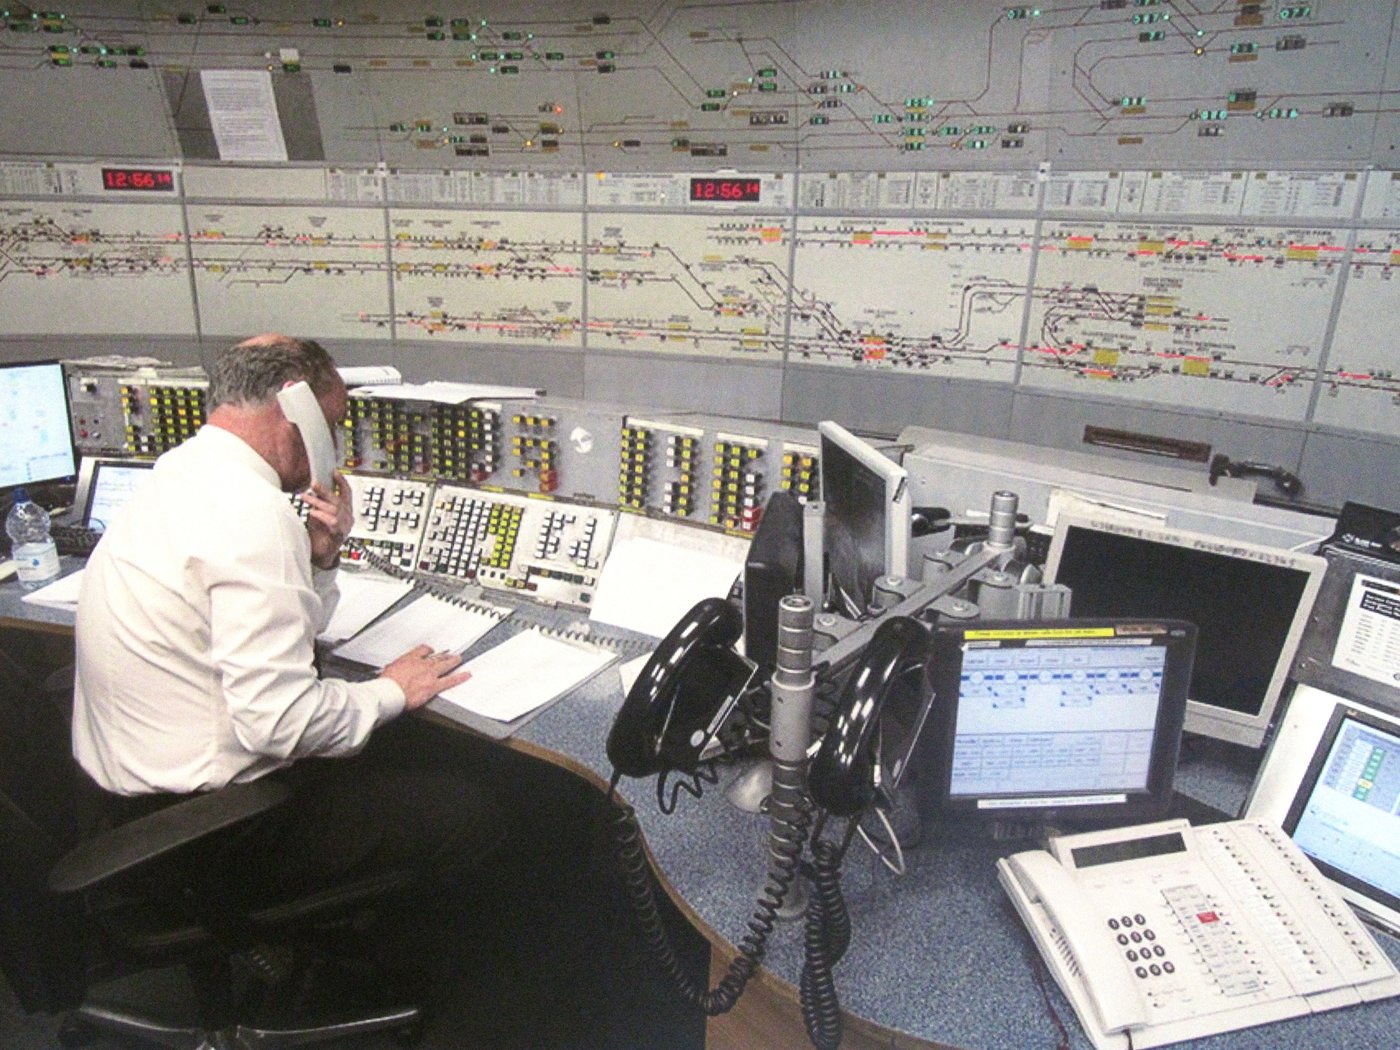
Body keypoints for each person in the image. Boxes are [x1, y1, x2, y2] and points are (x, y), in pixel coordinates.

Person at [72, 333, 497, 901]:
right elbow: (281, 725)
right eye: (334, 425)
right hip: (211, 828)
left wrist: (320, 560)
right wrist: (390, 692)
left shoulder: (183, 470)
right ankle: (401, 967)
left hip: (128, 804)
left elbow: (272, 636)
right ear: (296, 409)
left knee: (398, 748)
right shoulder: (254, 514)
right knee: (471, 810)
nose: (337, 445)